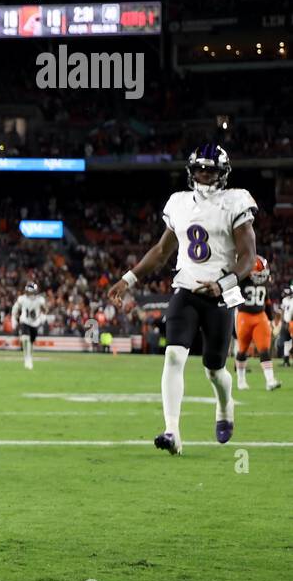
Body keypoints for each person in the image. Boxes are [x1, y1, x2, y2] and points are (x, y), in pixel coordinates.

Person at [109, 144, 257, 451]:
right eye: (200, 169)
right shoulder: (178, 203)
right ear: (191, 172)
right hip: (186, 288)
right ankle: (172, 432)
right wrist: (129, 279)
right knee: (174, 355)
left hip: (222, 292)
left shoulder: (235, 201)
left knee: (215, 369)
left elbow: (247, 256)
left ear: (222, 174)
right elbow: (162, 251)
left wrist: (224, 282)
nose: (204, 174)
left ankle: (225, 405)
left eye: (211, 170)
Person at [234, 255, 280, 390]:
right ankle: (241, 381)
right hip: (244, 316)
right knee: (242, 350)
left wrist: (270, 319)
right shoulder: (241, 281)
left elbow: (267, 301)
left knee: (264, 349)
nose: (261, 276)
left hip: (260, 317)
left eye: (262, 273)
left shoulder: (263, 283)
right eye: (258, 273)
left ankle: (270, 381)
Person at [12, 282, 47, 370]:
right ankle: (26, 358)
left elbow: (45, 309)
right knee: (25, 338)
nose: (31, 294)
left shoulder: (40, 300)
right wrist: (13, 318)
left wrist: (43, 316)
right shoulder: (22, 299)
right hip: (25, 320)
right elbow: (16, 308)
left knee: (31, 342)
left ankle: (30, 357)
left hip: (35, 322)